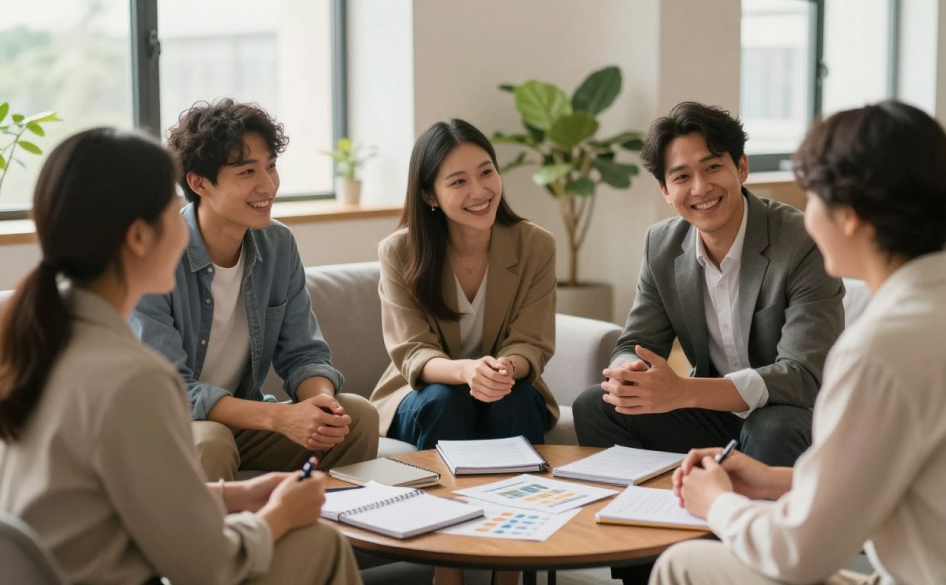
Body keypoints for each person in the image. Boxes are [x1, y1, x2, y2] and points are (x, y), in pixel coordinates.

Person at [652, 100, 946, 585]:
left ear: (848, 214)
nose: (806, 219)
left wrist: (716, 502)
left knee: (682, 564)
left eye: (814, 199)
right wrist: (774, 480)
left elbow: (798, 555)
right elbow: (923, 481)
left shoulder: (878, 351)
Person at [0, 128, 361, 585]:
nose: (184, 223)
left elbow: (124, 498)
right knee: (318, 542)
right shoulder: (134, 378)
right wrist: (281, 516)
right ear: (138, 237)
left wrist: (239, 496)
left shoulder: (41, 338)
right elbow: (209, 566)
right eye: (172, 211)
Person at [573, 101, 843, 466]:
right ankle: (649, 513)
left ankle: (742, 522)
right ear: (666, 190)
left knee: (770, 427)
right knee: (595, 406)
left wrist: (684, 391)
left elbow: (800, 376)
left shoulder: (801, 241)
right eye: (682, 177)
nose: (700, 188)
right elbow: (636, 342)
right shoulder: (661, 245)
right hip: (713, 412)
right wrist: (629, 372)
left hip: (793, 414)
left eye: (713, 167)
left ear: (741, 167)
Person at [131, 99, 378, 481]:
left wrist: (321, 405)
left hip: (244, 420)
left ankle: (345, 535)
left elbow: (303, 353)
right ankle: (227, 542)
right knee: (211, 441)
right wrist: (280, 417)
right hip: (170, 426)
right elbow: (174, 391)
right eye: (247, 171)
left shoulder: (278, 245)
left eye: (271, 166)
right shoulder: (154, 255)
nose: (268, 185)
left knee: (357, 415)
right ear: (199, 183)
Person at [372, 118, 558, 452]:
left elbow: (531, 342)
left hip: (505, 383)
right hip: (424, 390)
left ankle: (529, 501)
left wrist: (502, 370)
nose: (479, 191)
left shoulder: (536, 245)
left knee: (515, 398)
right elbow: (413, 351)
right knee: (446, 402)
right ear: (429, 194)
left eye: (486, 172)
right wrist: (466, 372)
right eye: (458, 181)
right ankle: (438, 504)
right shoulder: (399, 252)